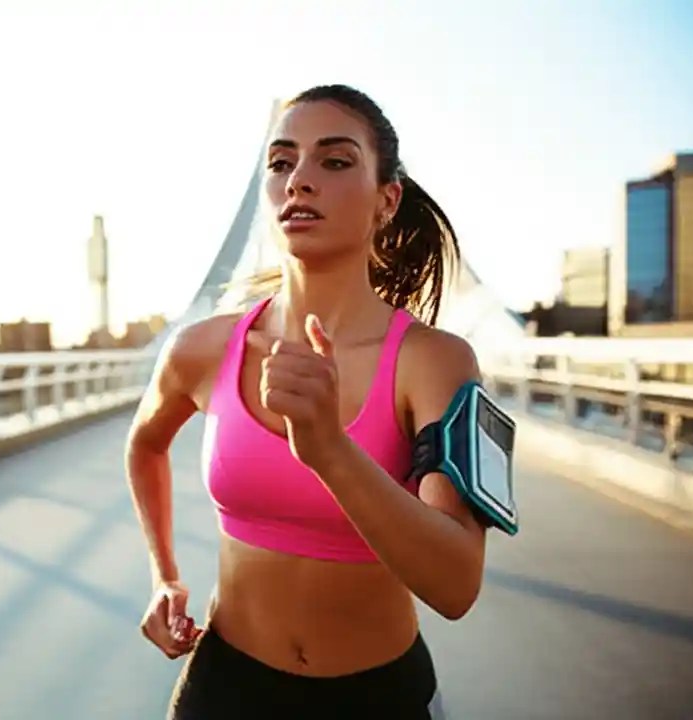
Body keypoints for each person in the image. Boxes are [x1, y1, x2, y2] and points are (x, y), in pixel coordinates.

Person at [125, 84, 487, 718]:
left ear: (387, 199)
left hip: (379, 699)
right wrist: (164, 576)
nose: (300, 180)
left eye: (335, 160)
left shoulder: (434, 361)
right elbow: (146, 443)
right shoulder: (202, 349)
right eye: (281, 162)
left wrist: (328, 451)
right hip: (224, 690)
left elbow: (456, 584)